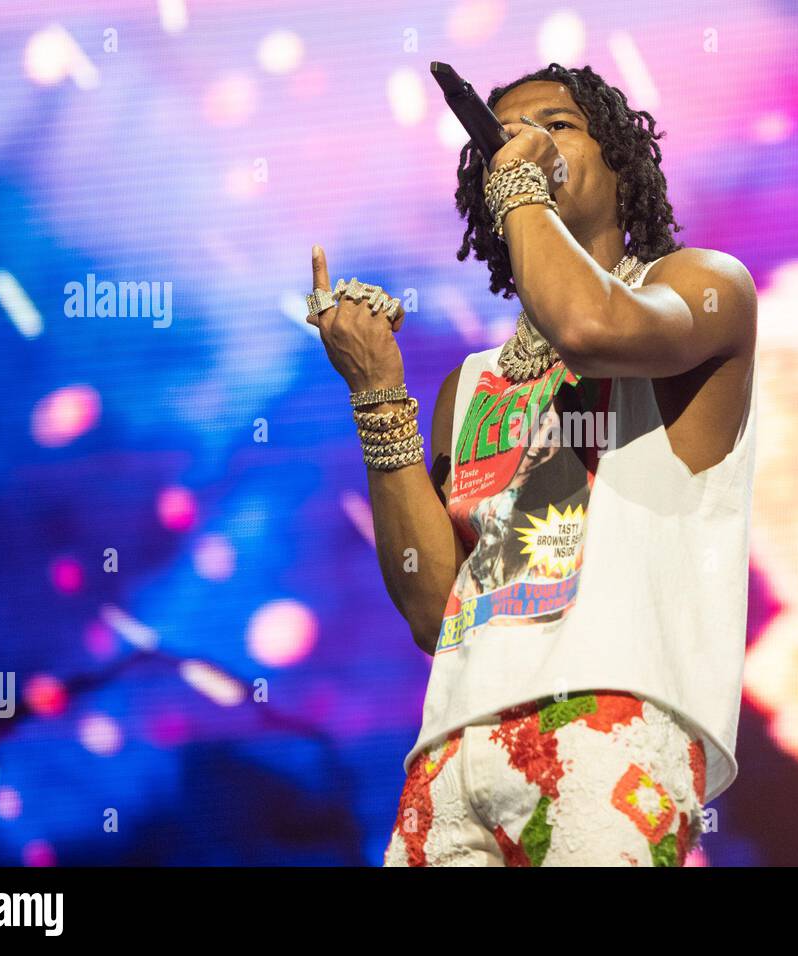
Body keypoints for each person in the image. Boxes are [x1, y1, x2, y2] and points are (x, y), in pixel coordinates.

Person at [305, 63, 758, 866]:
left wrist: (522, 185)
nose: (523, 143)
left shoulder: (700, 287)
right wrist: (379, 390)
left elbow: (587, 323)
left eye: (558, 125)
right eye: (504, 135)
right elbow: (429, 608)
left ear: (623, 168)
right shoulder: (471, 385)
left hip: (611, 716)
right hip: (454, 744)